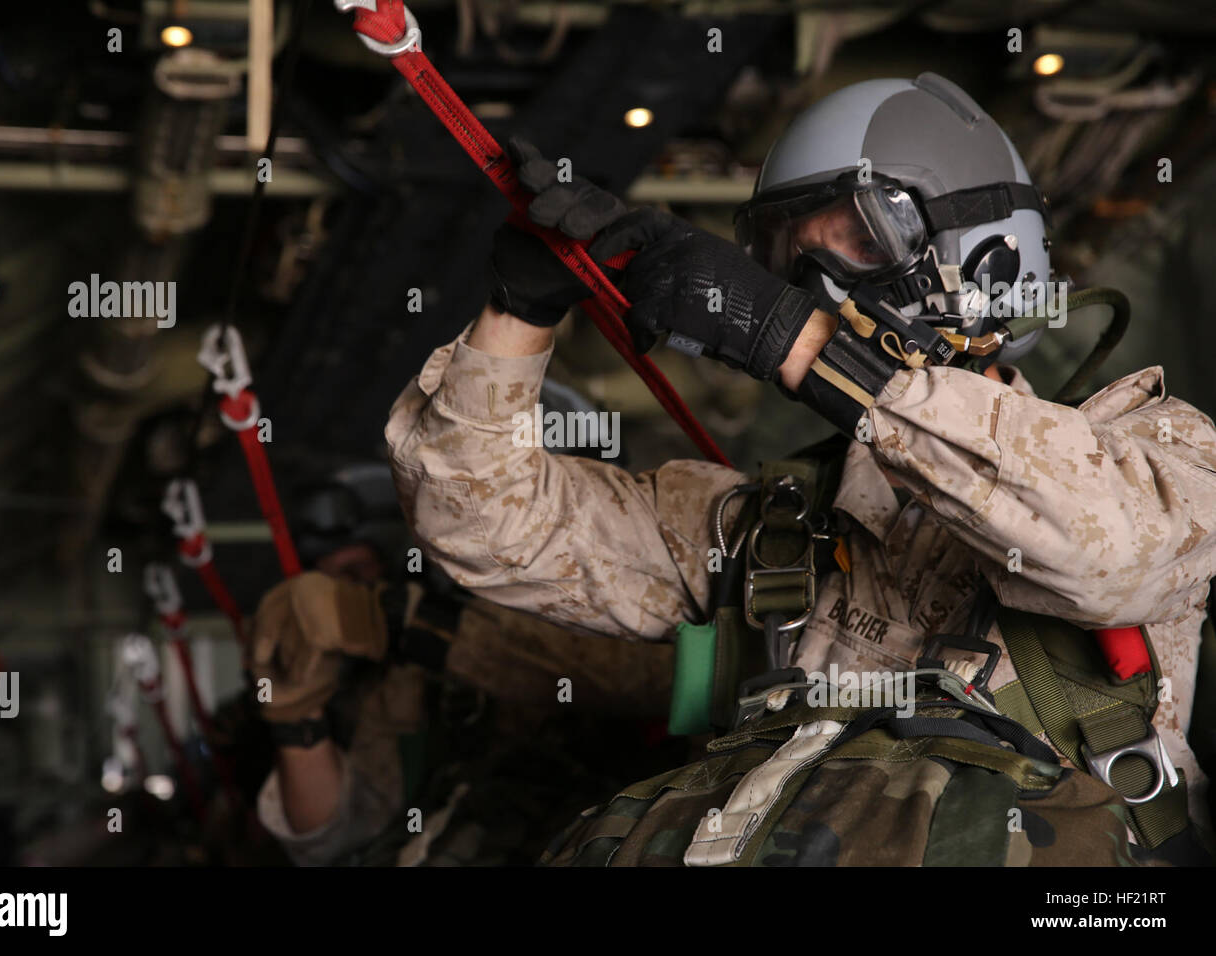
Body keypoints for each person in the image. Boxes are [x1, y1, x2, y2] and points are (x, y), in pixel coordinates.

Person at [385, 73, 1216, 865]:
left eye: (856, 238)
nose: (817, 286)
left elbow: (1110, 554)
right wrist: (519, 310)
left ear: (987, 255)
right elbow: (483, 524)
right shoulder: (768, 528)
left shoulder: (1159, 452)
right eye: (791, 255)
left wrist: (797, 344)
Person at [242, 462, 677, 865]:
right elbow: (332, 838)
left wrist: (402, 621)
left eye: (357, 571)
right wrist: (296, 713)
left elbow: (650, 676)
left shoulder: (646, 601)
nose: (340, 594)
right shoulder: (402, 685)